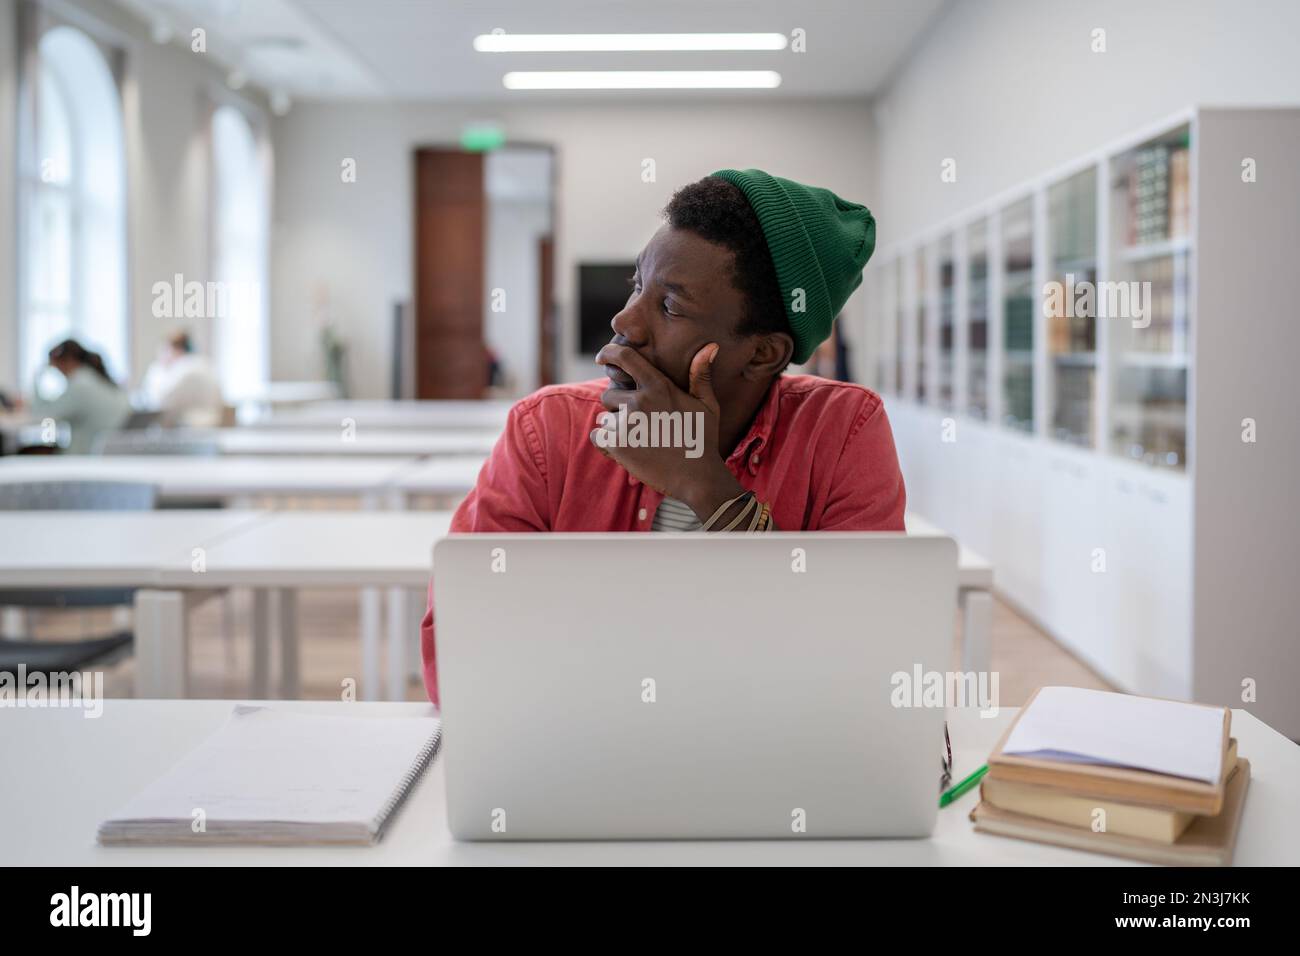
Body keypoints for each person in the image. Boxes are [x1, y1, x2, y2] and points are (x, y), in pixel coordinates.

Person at [419, 169, 906, 704]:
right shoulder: (548, 428)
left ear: (763, 353)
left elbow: (866, 664)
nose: (624, 321)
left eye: (670, 306)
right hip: (582, 757)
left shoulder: (841, 431)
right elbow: (457, 652)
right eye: (636, 285)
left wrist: (703, 483)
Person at [27, 339, 132, 454]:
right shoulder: (97, 379)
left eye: (55, 368)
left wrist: (38, 377)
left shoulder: (80, 384)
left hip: (85, 456)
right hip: (106, 454)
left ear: (67, 361)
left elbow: (45, 416)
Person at [140, 331, 224, 426]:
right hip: (212, 424)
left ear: (175, 350)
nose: (162, 357)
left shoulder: (183, 368)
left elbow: (159, 402)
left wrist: (156, 371)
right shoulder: (204, 364)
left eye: (164, 351)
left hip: (189, 428)